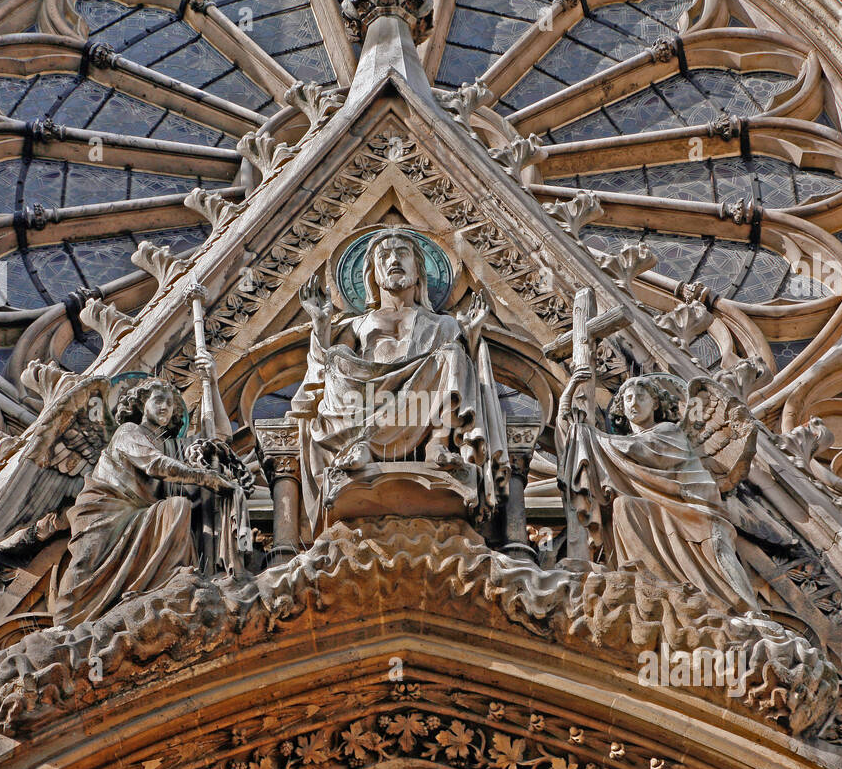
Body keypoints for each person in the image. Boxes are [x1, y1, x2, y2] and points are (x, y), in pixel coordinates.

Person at [290, 228, 508, 530]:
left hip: (422, 407)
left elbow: (461, 372)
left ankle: (437, 443)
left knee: (452, 355)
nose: (394, 260)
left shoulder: (442, 323)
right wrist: (320, 323)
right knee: (337, 356)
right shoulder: (357, 325)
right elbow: (319, 374)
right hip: (365, 401)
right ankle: (360, 443)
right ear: (373, 276)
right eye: (384, 256)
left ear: (419, 271)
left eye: (402, 253)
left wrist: (469, 338)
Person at [557, 368, 761, 615]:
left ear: (655, 403)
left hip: (690, 511)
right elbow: (574, 446)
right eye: (629, 399)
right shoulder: (617, 452)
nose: (635, 404)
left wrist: (590, 434)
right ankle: (651, 585)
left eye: (641, 397)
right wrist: (567, 403)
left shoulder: (668, 433)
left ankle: (742, 608)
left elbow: (641, 450)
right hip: (655, 512)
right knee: (623, 507)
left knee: (715, 547)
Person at [53, 365, 239, 627]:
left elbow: (218, 439)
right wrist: (205, 478)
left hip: (140, 515)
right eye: (158, 400)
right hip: (106, 510)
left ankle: (173, 578)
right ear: (142, 404)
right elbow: (154, 464)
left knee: (178, 507)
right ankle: (67, 620)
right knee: (86, 564)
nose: (165, 407)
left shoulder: (171, 446)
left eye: (171, 404)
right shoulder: (129, 432)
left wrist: (212, 383)